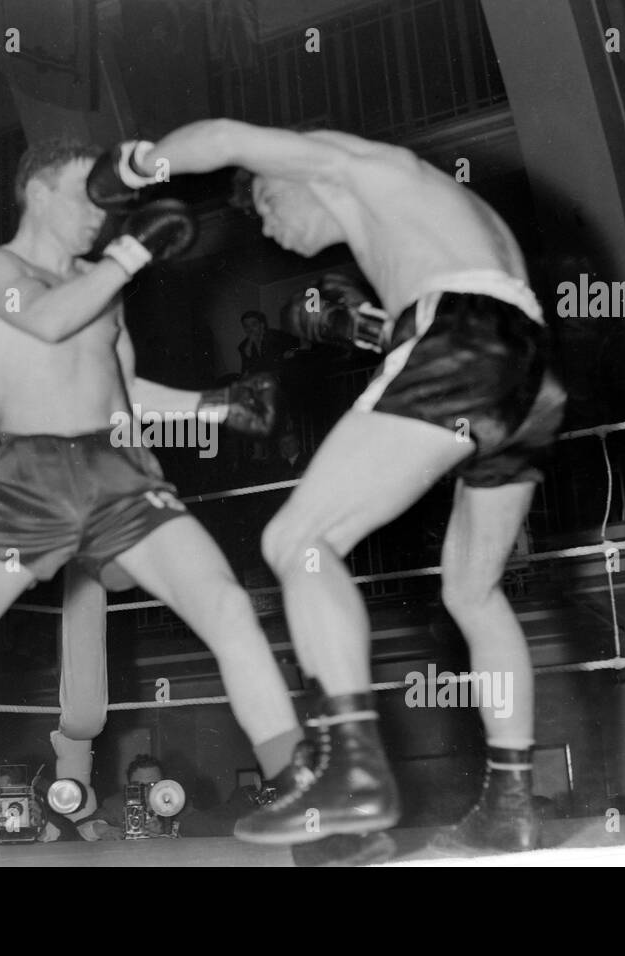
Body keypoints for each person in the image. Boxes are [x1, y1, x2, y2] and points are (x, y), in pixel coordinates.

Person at [0, 139, 305, 866]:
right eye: (87, 195)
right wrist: (130, 254)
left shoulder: (102, 280)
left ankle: (299, 798)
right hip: (29, 482)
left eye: (112, 206)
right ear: (38, 192)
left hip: (118, 474)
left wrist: (215, 406)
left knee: (229, 609)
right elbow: (45, 322)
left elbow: (123, 392)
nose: (101, 216)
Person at [117, 119, 567, 857]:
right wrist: (371, 330)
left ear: (296, 172)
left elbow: (226, 135)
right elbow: (473, 305)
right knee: (473, 592)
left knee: (296, 540)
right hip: (529, 369)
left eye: (265, 204)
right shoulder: (426, 206)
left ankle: (352, 766)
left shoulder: (354, 162)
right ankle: (509, 805)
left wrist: (134, 165)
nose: (268, 226)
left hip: (459, 333)